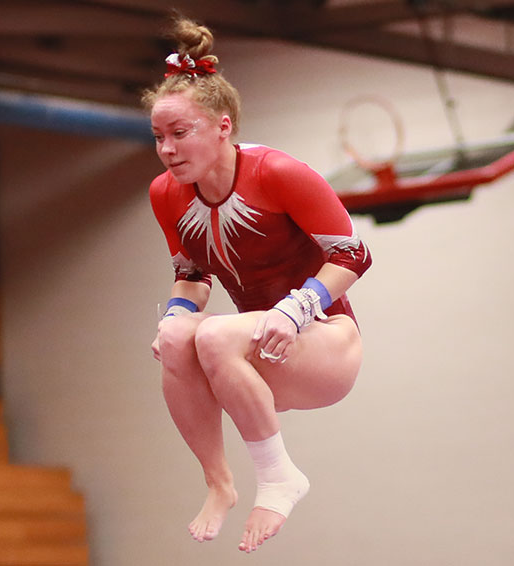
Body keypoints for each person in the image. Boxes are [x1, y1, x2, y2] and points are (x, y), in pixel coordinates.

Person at [144, 16, 372, 553]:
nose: (168, 150)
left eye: (181, 133)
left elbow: (355, 254)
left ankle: (278, 477)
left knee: (216, 335)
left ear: (223, 126)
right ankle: (219, 482)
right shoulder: (166, 195)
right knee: (180, 336)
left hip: (326, 342)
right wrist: (176, 314)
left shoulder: (276, 173)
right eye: (158, 137)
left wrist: (297, 309)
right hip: (257, 356)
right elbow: (191, 275)